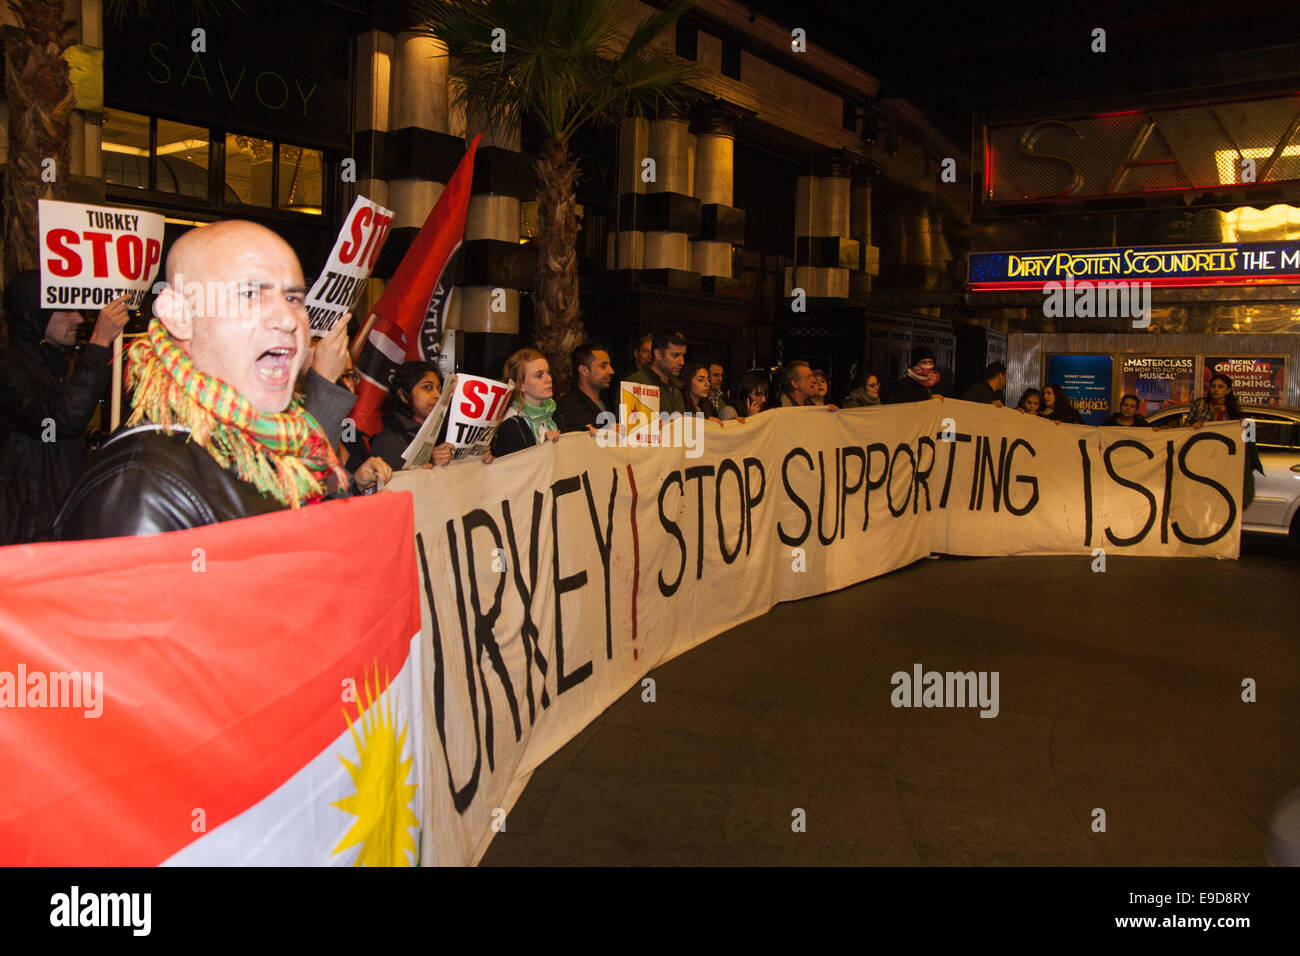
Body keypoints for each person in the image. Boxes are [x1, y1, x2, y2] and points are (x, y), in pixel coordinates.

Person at [52, 220, 354, 540]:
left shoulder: (274, 448)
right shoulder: (143, 486)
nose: (286, 319)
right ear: (180, 316)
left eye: (293, 299)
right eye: (250, 294)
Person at [0, 272, 128, 544]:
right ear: (36, 312)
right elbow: (61, 419)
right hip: (21, 537)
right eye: (65, 309)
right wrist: (99, 342)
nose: (79, 318)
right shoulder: (8, 367)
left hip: (54, 530)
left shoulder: (57, 367)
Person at [1184, 372, 1262, 507]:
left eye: (1220, 386)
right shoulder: (1200, 404)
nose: (1215, 389)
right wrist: (1193, 426)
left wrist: (1246, 426)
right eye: (1213, 386)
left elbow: (1244, 437)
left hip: (1224, 461)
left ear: (1228, 390)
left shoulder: (1232, 410)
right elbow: (1184, 428)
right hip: (1202, 457)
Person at [368, 361, 453, 472]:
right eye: (428, 387)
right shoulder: (389, 439)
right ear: (404, 395)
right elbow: (397, 485)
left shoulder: (445, 430)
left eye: (439, 389)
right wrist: (431, 462)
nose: (437, 395)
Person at [491, 348, 562, 458]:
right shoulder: (511, 425)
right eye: (539, 375)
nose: (548, 379)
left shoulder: (554, 413)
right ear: (520, 385)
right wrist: (545, 447)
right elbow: (516, 470)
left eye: (548, 372)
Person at [625, 331, 688, 415]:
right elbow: (630, 424)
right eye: (675, 355)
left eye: (683, 356)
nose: (681, 362)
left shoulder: (676, 388)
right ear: (658, 354)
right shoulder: (636, 383)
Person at [557, 343, 613, 433]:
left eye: (609, 365)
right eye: (603, 366)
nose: (611, 371)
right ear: (584, 370)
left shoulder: (608, 401)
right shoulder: (568, 408)